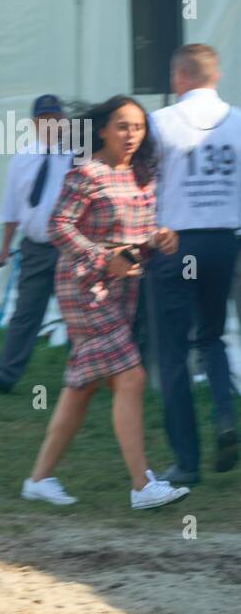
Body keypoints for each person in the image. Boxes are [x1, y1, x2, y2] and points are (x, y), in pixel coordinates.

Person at [22, 96, 188, 510]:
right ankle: (142, 485)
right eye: (122, 126)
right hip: (83, 288)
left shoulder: (142, 177)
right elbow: (58, 227)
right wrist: (103, 258)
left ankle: (38, 479)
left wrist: (160, 239)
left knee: (83, 386)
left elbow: (141, 233)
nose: (131, 135)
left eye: (137, 127)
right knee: (130, 377)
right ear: (102, 130)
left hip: (122, 290)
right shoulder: (87, 174)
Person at [147, 44, 241, 484]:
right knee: (212, 337)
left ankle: (186, 462)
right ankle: (224, 415)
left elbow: (146, 183)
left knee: (172, 352)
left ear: (177, 78)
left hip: (175, 245)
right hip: (224, 242)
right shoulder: (238, 121)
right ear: (215, 75)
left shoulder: (160, 121)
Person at [0, 94, 74, 393]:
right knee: (25, 313)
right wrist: (4, 248)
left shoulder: (77, 156)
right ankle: (4, 374)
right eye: (44, 120)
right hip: (35, 247)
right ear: (34, 124)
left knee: (77, 313)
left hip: (70, 248)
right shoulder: (21, 158)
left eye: (55, 119)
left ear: (63, 122)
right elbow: (12, 207)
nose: (51, 125)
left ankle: (85, 377)